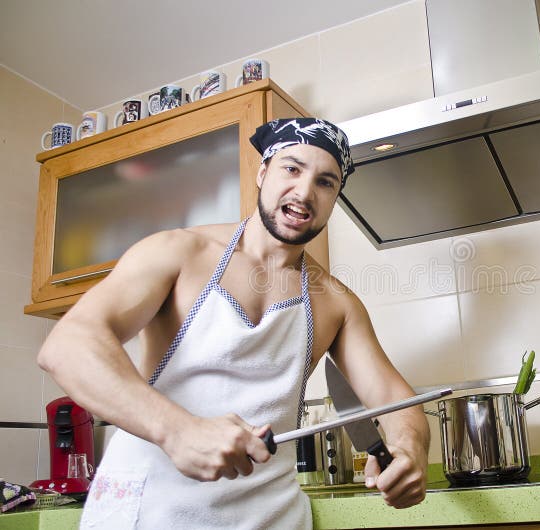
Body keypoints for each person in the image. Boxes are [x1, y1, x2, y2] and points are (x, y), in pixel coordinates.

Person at [37, 118, 430, 529]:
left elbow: (396, 401)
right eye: (291, 169)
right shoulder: (178, 251)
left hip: (270, 518)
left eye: (326, 182)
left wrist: (408, 451)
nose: (304, 192)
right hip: (148, 512)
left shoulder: (337, 303)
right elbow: (67, 345)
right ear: (263, 172)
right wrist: (177, 430)